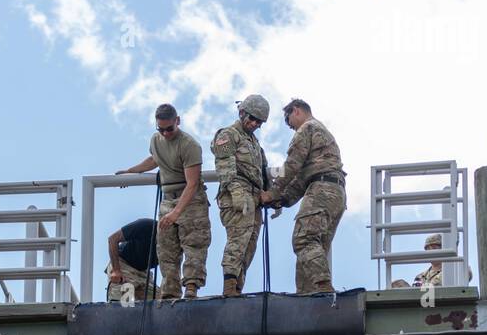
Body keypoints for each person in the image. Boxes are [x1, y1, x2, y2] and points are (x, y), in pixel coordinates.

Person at [116, 103, 211, 300]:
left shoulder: (189, 145)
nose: (166, 133)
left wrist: (176, 213)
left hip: (191, 200)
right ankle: (170, 294)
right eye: (161, 129)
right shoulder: (156, 140)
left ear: (178, 121)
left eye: (169, 129)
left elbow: (192, 184)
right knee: (166, 248)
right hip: (168, 199)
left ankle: (191, 288)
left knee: (193, 245)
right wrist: (130, 171)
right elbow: (154, 159)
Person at [266, 98, 346, 295]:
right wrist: (282, 200)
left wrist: (272, 192)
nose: (291, 127)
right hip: (334, 192)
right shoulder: (320, 132)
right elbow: (302, 177)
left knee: (304, 240)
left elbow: (292, 166)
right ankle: (307, 294)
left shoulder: (307, 128)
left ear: (296, 111)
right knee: (315, 247)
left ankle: (322, 287)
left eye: (288, 121)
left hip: (321, 190)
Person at [211, 95, 274, 297]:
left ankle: (238, 287)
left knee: (250, 244)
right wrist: (237, 192)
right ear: (242, 113)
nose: (255, 124)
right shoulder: (228, 134)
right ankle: (229, 286)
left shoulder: (255, 144)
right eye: (252, 118)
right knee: (238, 240)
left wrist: (272, 196)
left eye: (259, 122)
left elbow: (263, 172)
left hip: (254, 198)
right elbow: (224, 164)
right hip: (236, 194)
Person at [391, 232, 473, 290]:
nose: (430, 252)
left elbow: (464, 277)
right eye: (427, 249)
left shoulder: (457, 268)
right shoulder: (420, 276)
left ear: (444, 249)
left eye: (434, 248)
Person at [105, 217, 158, 304]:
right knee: (125, 305)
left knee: (160, 304)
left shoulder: (176, 243)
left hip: (144, 273)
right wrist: (116, 270)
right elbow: (112, 239)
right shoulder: (147, 225)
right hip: (124, 266)